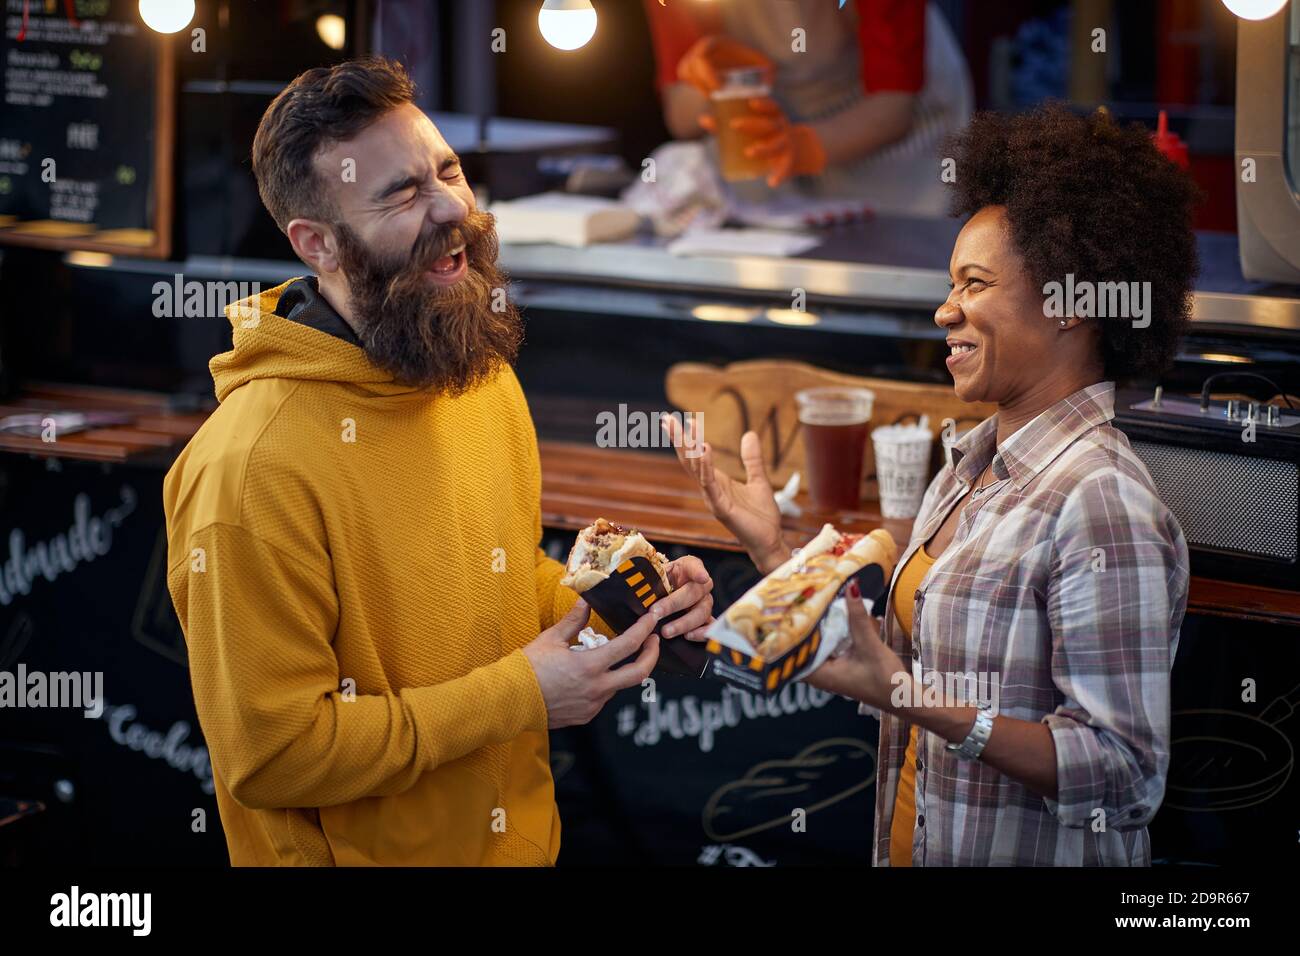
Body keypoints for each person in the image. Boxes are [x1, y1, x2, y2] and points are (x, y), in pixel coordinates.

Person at [163, 57, 715, 866]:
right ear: (316, 243)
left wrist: (614, 600)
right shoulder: (250, 472)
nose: (453, 207)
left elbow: (486, 582)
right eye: (401, 194)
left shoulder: (473, 370)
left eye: (448, 171)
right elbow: (274, 754)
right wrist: (517, 697)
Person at [665, 103, 1198, 865]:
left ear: (1075, 302)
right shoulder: (968, 467)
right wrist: (774, 554)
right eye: (951, 284)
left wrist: (922, 703)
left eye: (974, 284)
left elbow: (1125, 775)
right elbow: (896, 669)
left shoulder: (1101, 502)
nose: (946, 309)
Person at [643, 0, 972, 214]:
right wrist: (710, 84)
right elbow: (681, 118)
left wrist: (799, 148)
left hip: (902, 149)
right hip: (778, 132)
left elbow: (893, 110)